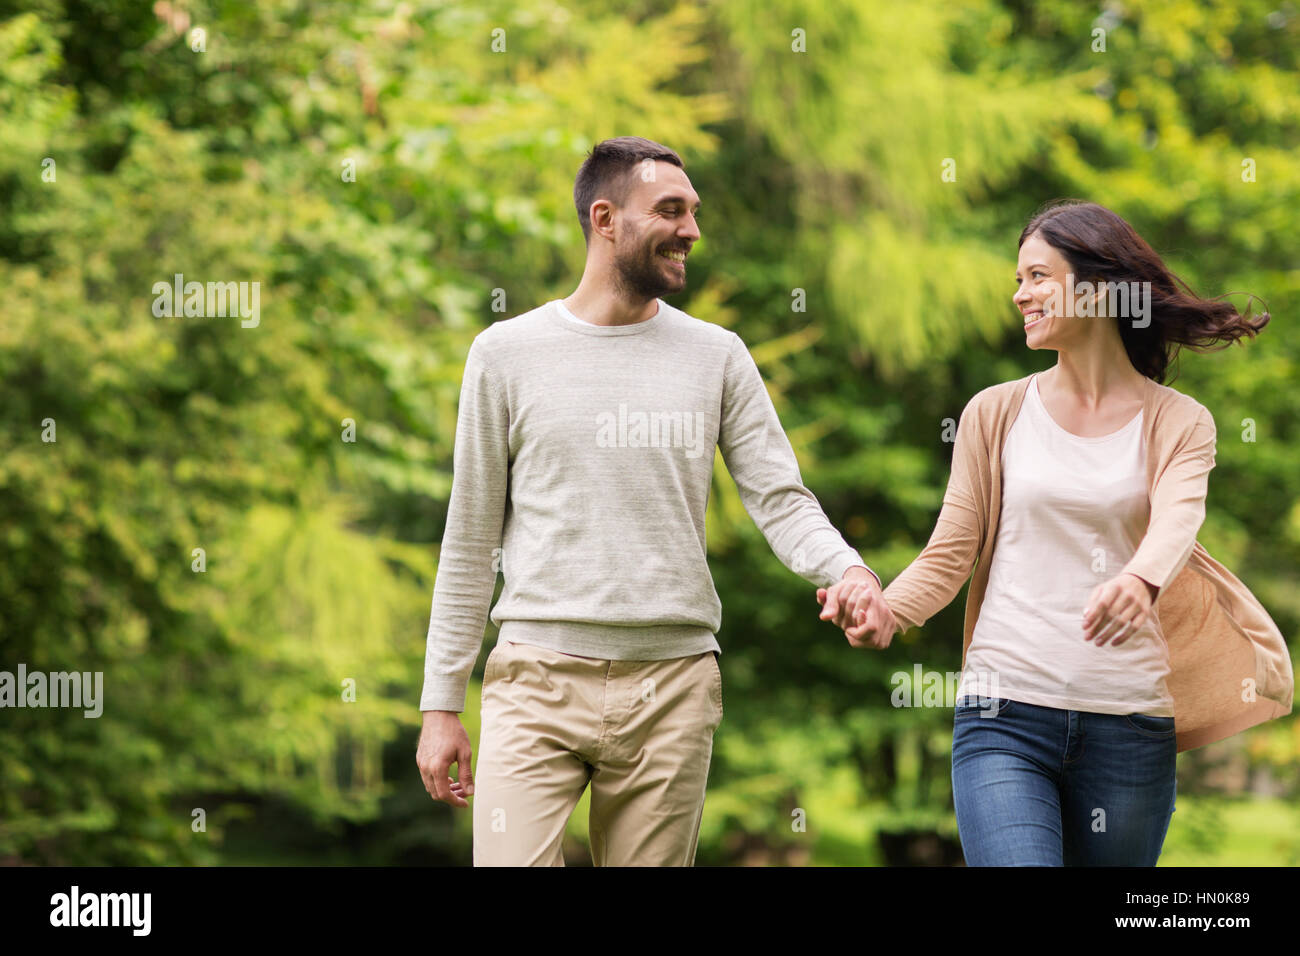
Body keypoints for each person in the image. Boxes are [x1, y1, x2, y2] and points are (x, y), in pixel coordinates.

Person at [415, 136, 896, 866]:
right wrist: (440, 703)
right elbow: (470, 534)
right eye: (670, 211)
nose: (693, 231)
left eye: (694, 212)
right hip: (535, 679)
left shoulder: (717, 356)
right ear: (605, 219)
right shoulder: (504, 355)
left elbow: (780, 497)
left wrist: (848, 570)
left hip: (672, 688)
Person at [823, 200, 1293, 866]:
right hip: (1003, 714)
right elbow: (951, 552)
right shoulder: (996, 412)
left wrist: (1140, 577)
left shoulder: (1180, 422)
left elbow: (1178, 518)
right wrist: (888, 609)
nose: (1021, 295)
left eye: (1038, 276)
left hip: (1128, 727)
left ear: (1100, 286)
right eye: (1019, 279)